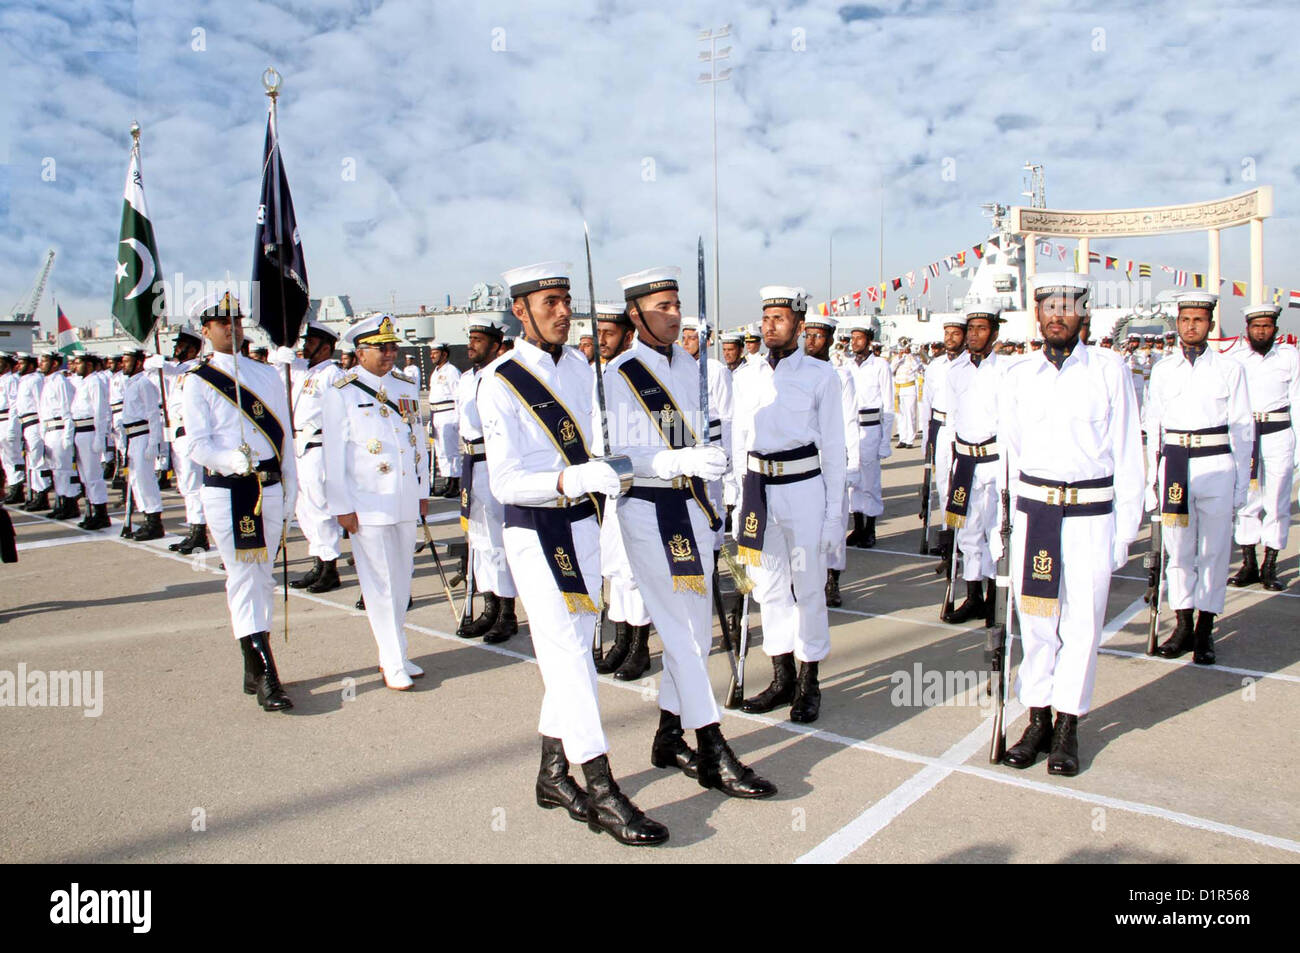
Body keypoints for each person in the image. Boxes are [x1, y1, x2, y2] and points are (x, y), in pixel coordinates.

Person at [479, 260, 667, 846]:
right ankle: (603, 787)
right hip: (537, 530)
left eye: (566, 300)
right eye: (550, 302)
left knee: (575, 652)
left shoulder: (584, 370)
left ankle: (553, 773)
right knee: (566, 651)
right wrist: (570, 480)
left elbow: (598, 444)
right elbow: (504, 481)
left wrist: (605, 471)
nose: (563, 312)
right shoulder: (500, 379)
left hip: (584, 524)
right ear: (521, 310)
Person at [604, 265, 775, 798]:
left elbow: (711, 430)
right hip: (651, 511)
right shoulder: (621, 373)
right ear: (636, 315)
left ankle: (668, 734)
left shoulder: (693, 366)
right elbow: (622, 459)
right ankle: (712, 746)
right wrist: (683, 459)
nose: (675, 316)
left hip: (695, 509)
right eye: (663, 308)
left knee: (696, 636)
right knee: (679, 632)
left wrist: (713, 468)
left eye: (678, 305)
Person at [998, 273, 1143, 776]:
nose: (1058, 315)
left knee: (1081, 623)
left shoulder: (1110, 369)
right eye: (1049, 306)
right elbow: (1008, 455)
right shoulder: (1018, 375)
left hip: (1090, 515)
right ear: (1036, 314)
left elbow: (1128, 451)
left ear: (1085, 312)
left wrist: (1126, 530)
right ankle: (1036, 718)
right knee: (1037, 622)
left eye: (1068, 306)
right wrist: (1005, 523)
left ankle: (1067, 727)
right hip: (1035, 513)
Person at [733, 286, 846, 724]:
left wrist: (835, 516)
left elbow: (835, 450)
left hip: (803, 488)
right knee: (768, 585)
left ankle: (808, 679)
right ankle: (780, 676)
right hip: (758, 488)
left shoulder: (821, 376)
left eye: (780, 318)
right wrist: (733, 496)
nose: (770, 326)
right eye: (766, 318)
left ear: (799, 325)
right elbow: (738, 439)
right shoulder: (746, 375)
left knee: (809, 584)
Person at [182, 289, 297, 712]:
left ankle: (253, 663)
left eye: (237, 320)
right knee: (245, 577)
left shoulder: (265, 374)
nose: (232, 327)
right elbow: (196, 444)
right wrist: (226, 460)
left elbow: (285, 436)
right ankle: (267, 671)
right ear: (205, 330)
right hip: (231, 491)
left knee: (262, 577)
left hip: (269, 486)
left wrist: (291, 488)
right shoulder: (198, 379)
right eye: (221, 322)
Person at [1144, 292, 1253, 665]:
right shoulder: (1162, 370)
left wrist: (1241, 483)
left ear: (1210, 323)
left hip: (1216, 465)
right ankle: (1183, 623)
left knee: (1214, 552)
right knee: (1179, 550)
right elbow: (1153, 427)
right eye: (1186, 320)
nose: (1191, 326)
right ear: (1177, 323)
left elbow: (1241, 429)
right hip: (1174, 465)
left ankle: (1206, 628)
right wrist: (1151, 479)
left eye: (1199, 320)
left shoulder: (1230, 369)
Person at [323, 312, 430, 690]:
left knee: (401, 580)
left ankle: (399, 650)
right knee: (380, 583)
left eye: (392, 346)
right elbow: (333, 455)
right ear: (360, 351)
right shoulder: (342, 391)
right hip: (366, 503)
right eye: (381, 348)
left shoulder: (404, 387)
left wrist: (422, 491)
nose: (389, 353)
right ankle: (390, 660)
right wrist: (340, 505)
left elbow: (419, 442)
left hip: (402, 500)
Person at [591, 303, 652, 677]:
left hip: (636, 484)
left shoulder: (637, 376)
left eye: (608, 333)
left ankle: (640, 648)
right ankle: (622, 640)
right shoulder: (598, 373)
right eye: (597, 333)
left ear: (628, 336)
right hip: (606, 486)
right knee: (614, 567)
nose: (600, 340)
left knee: (635, 571)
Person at [940, 302, 1007, 624]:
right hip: (965, 462)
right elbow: (953, 419)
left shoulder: (1007, 370)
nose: (975, 335)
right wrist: (951, 461)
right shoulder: (956, 371)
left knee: (996, 532)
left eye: (982, 329)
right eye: (971, 329)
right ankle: (973, 596)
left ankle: (996, 597)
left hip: (995, 461)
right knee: (967, 534)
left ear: (994, 333)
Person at [455, 313, 519, 644]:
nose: (471, 345)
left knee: (498, 541)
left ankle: (507, 614)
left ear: (495, 345)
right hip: (471, 464)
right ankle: (489, 605)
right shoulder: (466, 378)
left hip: (494, 462)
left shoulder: (503, 376)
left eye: (478, 340)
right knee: (480, 542)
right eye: (471, 339)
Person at [1227, 303, 1299, 590]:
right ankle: (1249, 563)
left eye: (1266, 326)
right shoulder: (1236, 358)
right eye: (1256, 326)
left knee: (1278, 500)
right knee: (1247, 499)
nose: (1261, 331)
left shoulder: (1290, 357)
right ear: (1247, 329)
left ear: (1275, 329)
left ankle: (1270, 564)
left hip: (1279, 433)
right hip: (1247, 437)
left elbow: (1297, 400)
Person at [279, 321, 346, 592]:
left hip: (319, 448)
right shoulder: (307, 373)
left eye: (310, 342)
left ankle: (330, 567)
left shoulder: (331, 373)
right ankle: (318, 561)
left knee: (320, 508)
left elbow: (340, 414)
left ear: (325, 346)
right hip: (299, 447)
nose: (304, 346)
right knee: (303, 508)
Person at [802, 313, 858, 608]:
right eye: (807, 335)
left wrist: (853, 465)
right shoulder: (795, 373)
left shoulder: (840, 376)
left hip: (833, 457)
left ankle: (832, 581)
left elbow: (849, 421)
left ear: (830, 339)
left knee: (834, 520)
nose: (811, 341)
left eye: (818, 335)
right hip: (805, 460)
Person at [145, 326, 208, 552]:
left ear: (191, 349)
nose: (175, 349)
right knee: (186, 485)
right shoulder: (179, 370)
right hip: (177, 433)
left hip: (190, 432)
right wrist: (162, 360)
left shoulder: (197, 370)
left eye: (180, 346)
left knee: (193, 486)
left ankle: (199, 532)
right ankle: (194, 529)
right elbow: (150, 368)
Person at [918, 316, 966, 572]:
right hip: (940, 428)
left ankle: (965, 544)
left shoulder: (970, 364)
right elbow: (927, 404)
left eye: (955, 333)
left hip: (962, 430)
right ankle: (948, 545)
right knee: (944, 490)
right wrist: (928, 440)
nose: (950, 337)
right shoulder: (935, 366)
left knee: (963, 492)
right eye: (947, 333)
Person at [845, 321, 893, 547]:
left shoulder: (880, 365)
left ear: (869, 340)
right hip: (852, 428)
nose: (854, 342)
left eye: (859, 338)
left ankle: (871, 528)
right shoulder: (847, 365)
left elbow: (889, 406)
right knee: (853, 478)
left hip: (872, 426)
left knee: (871, 481)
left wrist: (885, 441)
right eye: (852, 338)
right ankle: (858, 526)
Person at [116, 346, 165, 539]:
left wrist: (154, 442)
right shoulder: (130, 384)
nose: (123, 364)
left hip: (143, 436)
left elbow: (154, 414)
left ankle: (154, 521)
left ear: (138, 363)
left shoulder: (144, 383)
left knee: (146, 480)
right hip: (132, 437)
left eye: (127, 360)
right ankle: (146, 517)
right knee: (136, 481)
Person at [70, 352, 112, 529]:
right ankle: (92, 511)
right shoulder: (83, 382)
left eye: (78, 363)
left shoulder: (95, 381)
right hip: (79, 430)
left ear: (88, 365)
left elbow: (100, 411)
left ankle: (101, 514)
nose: (74, 366)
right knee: (85, 476)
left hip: (89, 431)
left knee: (93, 475)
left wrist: (99, 436)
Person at [37, 353, 78, 520]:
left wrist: (67, 437)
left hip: (60, 429)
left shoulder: (61, 382)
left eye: (44, 360)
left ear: (54, 363)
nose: (41, 363)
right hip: (50, 430)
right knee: (56, 470)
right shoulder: (48, 382)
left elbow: (68, 411)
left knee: (64, 470)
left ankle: (70, 505)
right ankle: (60, 503)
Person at [14, 353, 50, 511]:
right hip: (26, 424)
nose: (19, 366)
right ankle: (35, 493)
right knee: (31, 461)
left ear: (30, 365)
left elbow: (40, 403)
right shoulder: (23, 380)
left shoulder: (35, 380)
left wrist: (42, 429)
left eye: (22, 363)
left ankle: (42, 494)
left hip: (35, 422)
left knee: (38, 460)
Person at [427, 340, 461, 499]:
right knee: (441, 451)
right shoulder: (435, 372)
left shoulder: (451, 371)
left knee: (450, 450)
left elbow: (458, 394)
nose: (432, 355)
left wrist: (458, 417)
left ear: (444, 354)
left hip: (449, 413)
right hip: (436, 414)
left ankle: (455, 483)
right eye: (432, 352)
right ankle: (447, 480)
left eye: (435, 352)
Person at [0, 353, 24, 504]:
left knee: (12, 455)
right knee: (4, 457)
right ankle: (12, 485)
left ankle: (17, 487)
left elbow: (14, 405)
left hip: (7, 419)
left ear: (7, 364)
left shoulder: (12, 380)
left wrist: (12, 426)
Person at [891, 341, 923, 447]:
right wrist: (899, 357)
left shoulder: (913, 358)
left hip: (909, 388)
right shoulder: (897, 358)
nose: (903, 350)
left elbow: (916, 367)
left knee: (910, 415)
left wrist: (910, 355)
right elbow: (891, 369)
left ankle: (910, 439)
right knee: (901, 415)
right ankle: (902, 439)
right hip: (899, 390)